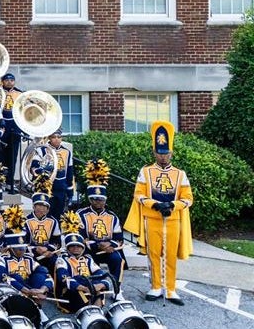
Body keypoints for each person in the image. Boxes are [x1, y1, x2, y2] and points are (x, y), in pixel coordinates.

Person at [125, 121, 193, 305]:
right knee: (154, 254)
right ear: (155, 152)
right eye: (160, 153)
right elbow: (138, 194)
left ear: (171, 153)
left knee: (170, 255)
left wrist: (172, 204)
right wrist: (154, 204)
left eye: (166, 153)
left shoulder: (180, 174)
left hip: (173, 219)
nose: (163, 157)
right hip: (152, 218)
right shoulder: (145, 171)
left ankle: (170, 289)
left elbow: (188, 198)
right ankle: (155, 286)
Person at [77, 160, 126, 295]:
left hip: (109, 249)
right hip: (90, 249)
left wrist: (110, 245)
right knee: (85, 260)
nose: (98, 202)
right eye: (95, 199)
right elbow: (79, 237)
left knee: (117, 259)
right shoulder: (81, 214)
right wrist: (98, 245)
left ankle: (117, 288)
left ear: (105, 200)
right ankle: (95, 287)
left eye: (101, 199)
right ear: (90, 200)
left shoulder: (112, 216)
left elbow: (119, 239)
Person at [55, 215, 110, 313]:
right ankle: (88, 313)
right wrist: (84, 288)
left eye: (78, 246)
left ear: (83, 248)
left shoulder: (88, 259)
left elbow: (101, 274)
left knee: (98, 287)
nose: (76, 248)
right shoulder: (62, 260)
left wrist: (100, 285)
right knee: (78, 286)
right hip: (71, 290)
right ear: (67, 248)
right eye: (72, 246)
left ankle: (97, 313)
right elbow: (64, 279)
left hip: (89, 287)